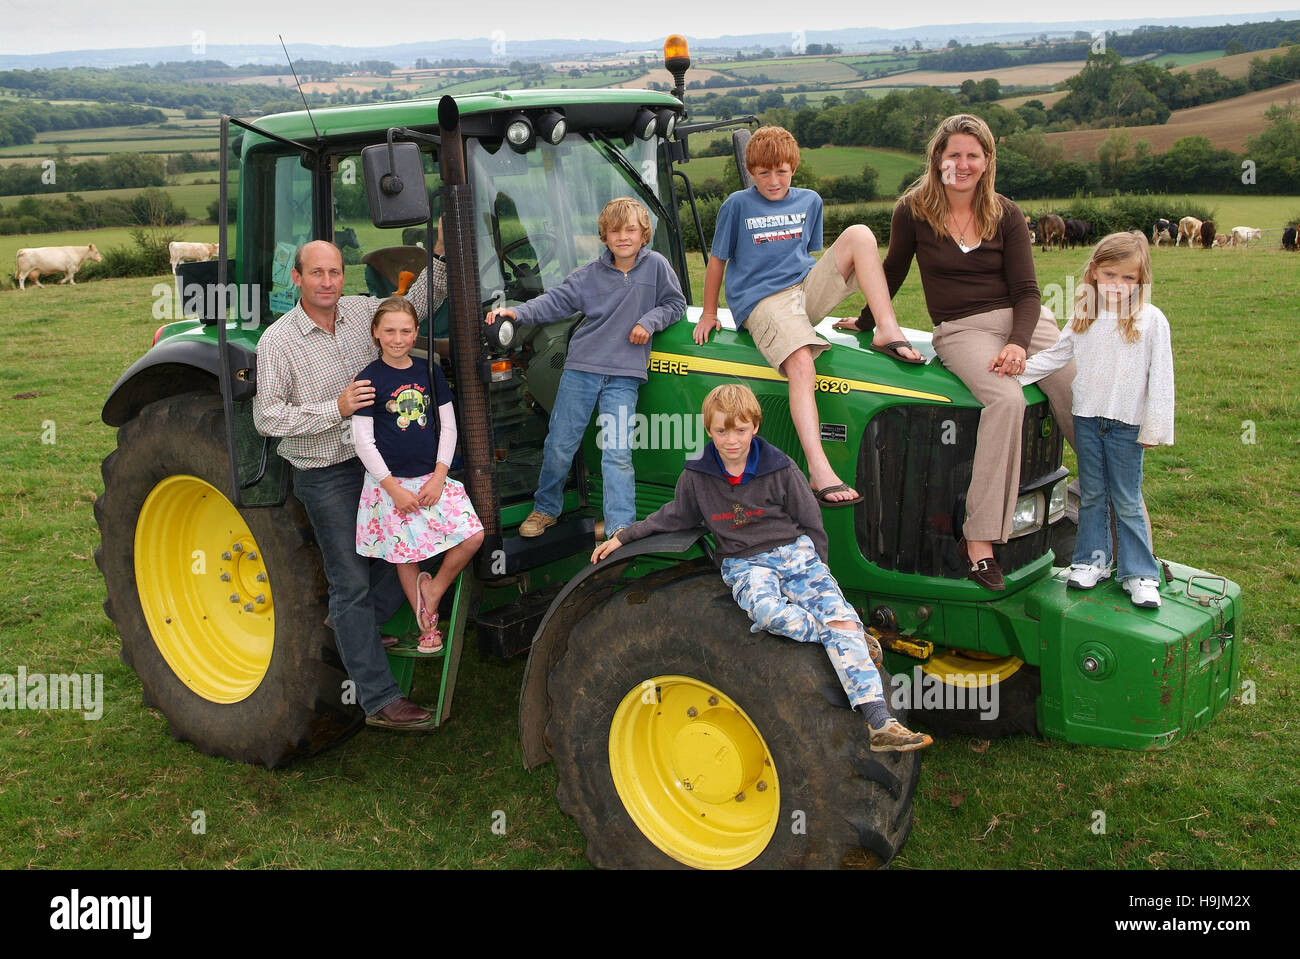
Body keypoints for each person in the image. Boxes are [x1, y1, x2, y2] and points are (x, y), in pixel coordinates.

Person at [591, 383, 932, 753]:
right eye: (722, 431)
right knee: (773, 614)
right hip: (745, 564)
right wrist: (624, 537)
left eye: (739, 430)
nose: (731, 440)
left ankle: (880, 721)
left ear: (754, 427)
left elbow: (811, 521)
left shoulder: (780, 467)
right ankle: (841, 636)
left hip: (794, 554)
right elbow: (674, 516)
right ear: (709, 430)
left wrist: (817, 567)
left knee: (836, 612)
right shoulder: (698, 476)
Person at [834, 114, 1075, 590]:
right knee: (1004, 400)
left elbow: (1027, 292)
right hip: (962, 328)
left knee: (1081, 393)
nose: (962, 165)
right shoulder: (913, 210)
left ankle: (1118, 518)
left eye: (973, 155)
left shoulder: (1004, 213)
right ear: (937, 160)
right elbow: (894, 268)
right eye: (954, 155)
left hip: (1023, 320)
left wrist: (1019, 343)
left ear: (987, 161)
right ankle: (980, 541)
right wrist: (867, 322)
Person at [253, 239, 447, 731]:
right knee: (351, 580)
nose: (327, 282)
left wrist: (442, 253)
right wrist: (334, 409)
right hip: (324, 472)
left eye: (335, 272)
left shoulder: (363, 313)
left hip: (375, 465)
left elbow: (417, 304)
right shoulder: (278, 342)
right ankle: (379, 697)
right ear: (297, 278)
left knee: (397, 553)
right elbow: (266, 416)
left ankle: (350, 627)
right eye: (316, 273)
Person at [694, 125, 924, 510]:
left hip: (802, 291)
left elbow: (807, 256)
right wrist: (710, 312)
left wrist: (851, 315)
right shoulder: (736, 205)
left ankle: (886, 328)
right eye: (764, 172)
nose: (773, 180)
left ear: (794, 168)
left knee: (861, 234)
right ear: (751, 171)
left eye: (781, 171)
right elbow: (717, 261)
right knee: (802, 363)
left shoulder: (810, 201)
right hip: (763, 301)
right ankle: (819, 469)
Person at [484, 197, 686, 539]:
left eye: (631, 230)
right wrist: (516, 313)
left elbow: (675, 303)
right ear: (604, 236)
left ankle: (620, 526)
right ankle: (546, 509)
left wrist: (649, 321)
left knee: (617, 452)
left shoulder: (657, 267)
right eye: (615, 231)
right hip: (582, 369)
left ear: (643, 234)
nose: (624, 237)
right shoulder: (588, 276)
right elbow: (553, 302)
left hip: (624, 375)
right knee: (561, 442)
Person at [1019, 233, 1173, 609]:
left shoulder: (1151, 321)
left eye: (1128, 279)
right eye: (1109, 276)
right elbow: (1056, 357)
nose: (1118, 286)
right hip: (1087, 420)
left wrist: (1155, 428)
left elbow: (1162, 378)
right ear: (1094, 274)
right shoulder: (1084, 317)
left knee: (1126, 498)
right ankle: (1091, 560)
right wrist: (1014, 374)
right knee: (1092, 494)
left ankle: (1140, 572)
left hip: (1126, 427)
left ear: (1141, 280)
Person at [353, 296, 485, 651]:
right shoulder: (368, 379)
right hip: (391, 485)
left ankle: (435, 588)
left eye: (406, 331)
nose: (398, 338)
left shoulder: (429, 371)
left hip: (431, 478)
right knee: (406, 555)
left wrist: (440, 476)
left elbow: (449, 427)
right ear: (376, 333)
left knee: (472, 535)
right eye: (390, 331)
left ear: (416, 333)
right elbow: (364, 442)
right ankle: (427, 625)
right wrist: (393, 489)